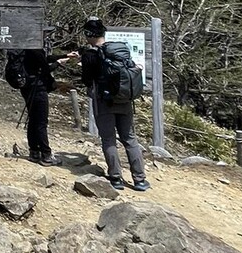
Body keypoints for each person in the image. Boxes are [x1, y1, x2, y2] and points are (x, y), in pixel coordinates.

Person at [64, 18, 150, 192]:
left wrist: (83, 63)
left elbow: (87, 80)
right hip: (124, 100)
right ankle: (140, 180)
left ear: (88, 34)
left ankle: (116, 178)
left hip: (103, 102)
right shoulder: (118, 50)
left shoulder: (90, 55)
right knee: (130, 139)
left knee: (109, 139)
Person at [19, 47, 58, 165]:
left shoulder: (26, 48)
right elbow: (45, 68)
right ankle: (46, 155)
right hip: (38, 88)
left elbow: (44, 59)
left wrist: (64, 56)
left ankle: (34, 152)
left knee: (33, 120)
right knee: (41, 122)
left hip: (27, 87)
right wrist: (58, 63)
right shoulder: (35, 48)